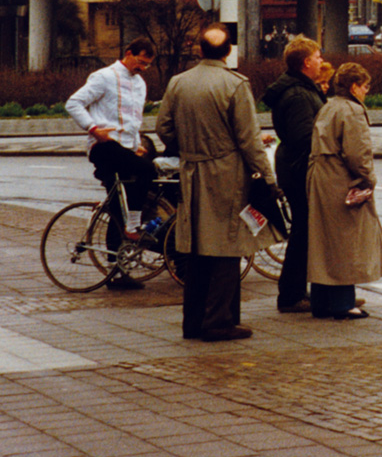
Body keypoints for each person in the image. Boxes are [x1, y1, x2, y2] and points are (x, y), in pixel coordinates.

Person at [155, 24, 276, 342]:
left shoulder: (179, 82)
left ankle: (193, 322)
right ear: (228, 51)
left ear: (199, 50)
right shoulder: (235, 84)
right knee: (226, 246)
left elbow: (164, 128)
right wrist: (267, 178)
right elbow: (249, 140)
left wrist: (187, 149)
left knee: (195, 248)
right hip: (227, 174)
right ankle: (219, 320)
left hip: (191, 173)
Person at [64, 38, 158, 290]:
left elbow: (133, 120)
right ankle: (133, 226)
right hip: (104, 147)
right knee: (146, 170)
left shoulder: (140, 84)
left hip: (124, 149)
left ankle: (116, 271)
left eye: (147, 65)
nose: (142, 68)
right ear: (128, 53)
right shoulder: (104, 77)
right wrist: (93, 128)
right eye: (140, 62)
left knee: (118, 206)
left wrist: (136, 145)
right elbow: (73, 103)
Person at [306, 62, 382, 320]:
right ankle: (342, 303)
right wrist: (369, 179)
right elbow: (357, 153)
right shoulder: (353, 111)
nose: (367, 91)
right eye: (365, 86)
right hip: (340, 179)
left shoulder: (328, 106)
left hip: (320, 176)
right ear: (354, 87)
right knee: (346, 242)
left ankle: (321, 301)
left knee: (323, 242)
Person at [263, 35, 329, 314]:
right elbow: (304, 137)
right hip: (300, 168)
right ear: (305, 63)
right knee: (303, 232)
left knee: (304, 230)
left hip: (293, 166)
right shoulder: (300, 95)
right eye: (317, 57)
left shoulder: (299, 88)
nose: (321, 61)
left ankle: (301, 292)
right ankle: (292, 295)